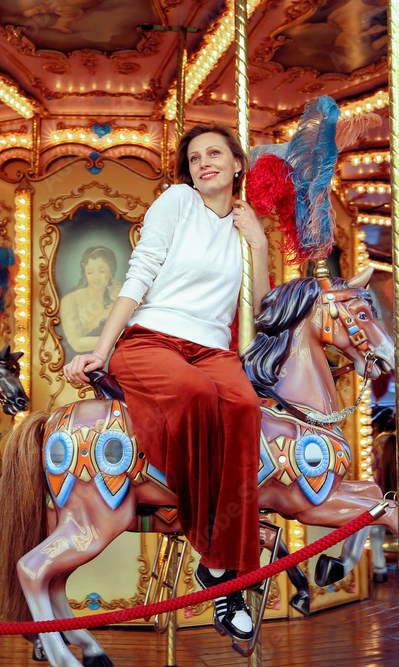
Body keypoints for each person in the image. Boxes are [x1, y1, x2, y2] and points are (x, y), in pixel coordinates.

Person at [63, 124, 270, 640]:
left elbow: (259, 307)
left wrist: (260, 243)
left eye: (215, 153)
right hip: (152, 339)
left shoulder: (244, 223)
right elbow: (140, 273)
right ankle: (220, 564)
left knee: (245, 407)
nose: (204, 163)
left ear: (237, 164)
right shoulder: (177, 202)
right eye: (195, 157)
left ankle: (218, 568)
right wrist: (102, 350)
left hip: (213, 348)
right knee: (195, 394)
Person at [58, 245, 122, 358]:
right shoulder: (70, 300)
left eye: (102, 271)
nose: (96, 278)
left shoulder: (117, 301)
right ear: (85, 274)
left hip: (109, 359)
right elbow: (76, 344)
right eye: (90, 272)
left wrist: (119, 303)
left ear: (111, 273)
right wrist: (115, 339)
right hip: (74, 361)